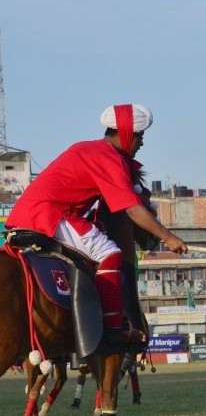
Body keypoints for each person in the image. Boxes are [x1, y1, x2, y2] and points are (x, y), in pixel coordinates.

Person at [6, 104, 188, 342]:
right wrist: (168, 237)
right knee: (110, 252)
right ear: (126, 134)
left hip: (25, 215)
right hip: (49, 215)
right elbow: (132, 210)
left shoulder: (89, 149)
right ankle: (113, 328)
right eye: (139, 137)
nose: (141, 144)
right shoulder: (108, 158)